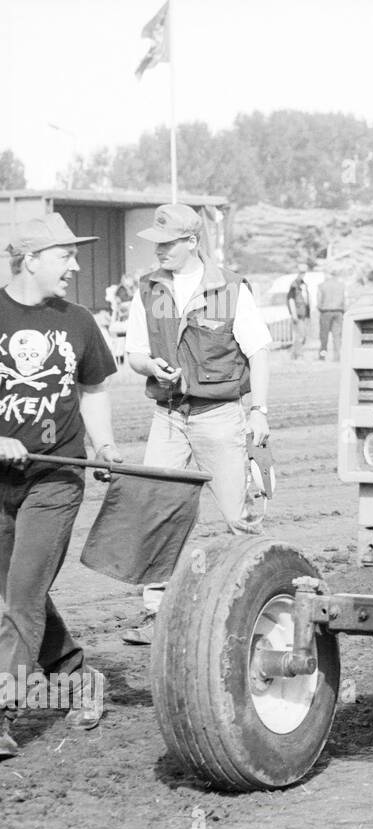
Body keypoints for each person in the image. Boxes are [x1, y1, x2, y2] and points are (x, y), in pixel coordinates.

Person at [119, 204, 273, 645]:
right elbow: (134, 353)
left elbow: (259, 351)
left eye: (167, 243)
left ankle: (259, 602)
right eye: (156, 243)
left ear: (192, 241)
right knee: (158, 512)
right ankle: (155, 611)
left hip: (220, 417)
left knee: (238, 516)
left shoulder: (228, 289)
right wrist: (152, 366)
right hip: (167, 417)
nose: (159, 250)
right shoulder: (149, 290)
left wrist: (259, 411)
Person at [0, 214, 121, 757]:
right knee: (17, 596)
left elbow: (92, 388)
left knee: (21, 597)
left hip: (55, 478)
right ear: (30, 259)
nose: (75, 266)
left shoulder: (78, 321)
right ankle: (75, 675)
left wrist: (106, 444)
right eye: (64, 255)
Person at [316, 270, 347, 360]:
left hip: (326, 312)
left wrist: (320, 308)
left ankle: (323, 355)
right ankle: (337, 356)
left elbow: (318, 301)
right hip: (338, 312)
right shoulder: (342, 286)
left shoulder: (322, 285)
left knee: (324, 336)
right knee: (337, 336)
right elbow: (345, 300)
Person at [286, 263, 312, 360]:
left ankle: (294, 354)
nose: (303, 274)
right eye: (301, 272)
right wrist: (294, 314)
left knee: (303, 335)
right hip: (298, 314)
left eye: (304, 272)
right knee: (300, 336)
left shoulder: (303, 284)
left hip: (305, 314)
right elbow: (291, 299)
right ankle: (298, 355)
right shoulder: (294, 284)